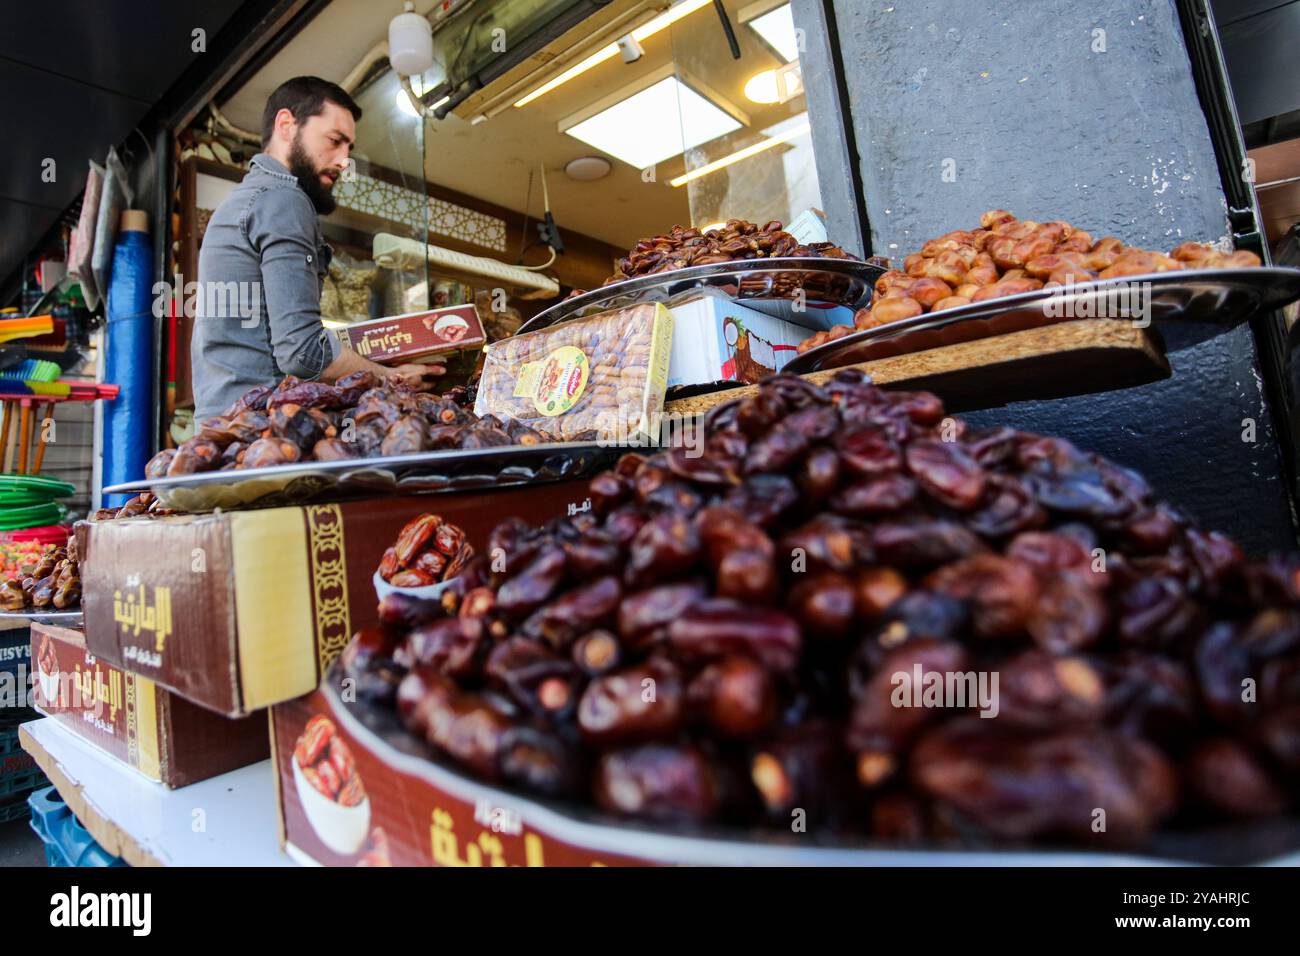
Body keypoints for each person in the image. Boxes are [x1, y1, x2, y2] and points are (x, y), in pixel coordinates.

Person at [191, 75, 439, 419]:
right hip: (266, 427)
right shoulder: (284, 199)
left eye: (349, 148)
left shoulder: (240, 203)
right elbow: (302, 351)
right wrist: (394, 380)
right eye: (335, 141)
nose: (343, 161)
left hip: (225, 427)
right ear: (286, 125)